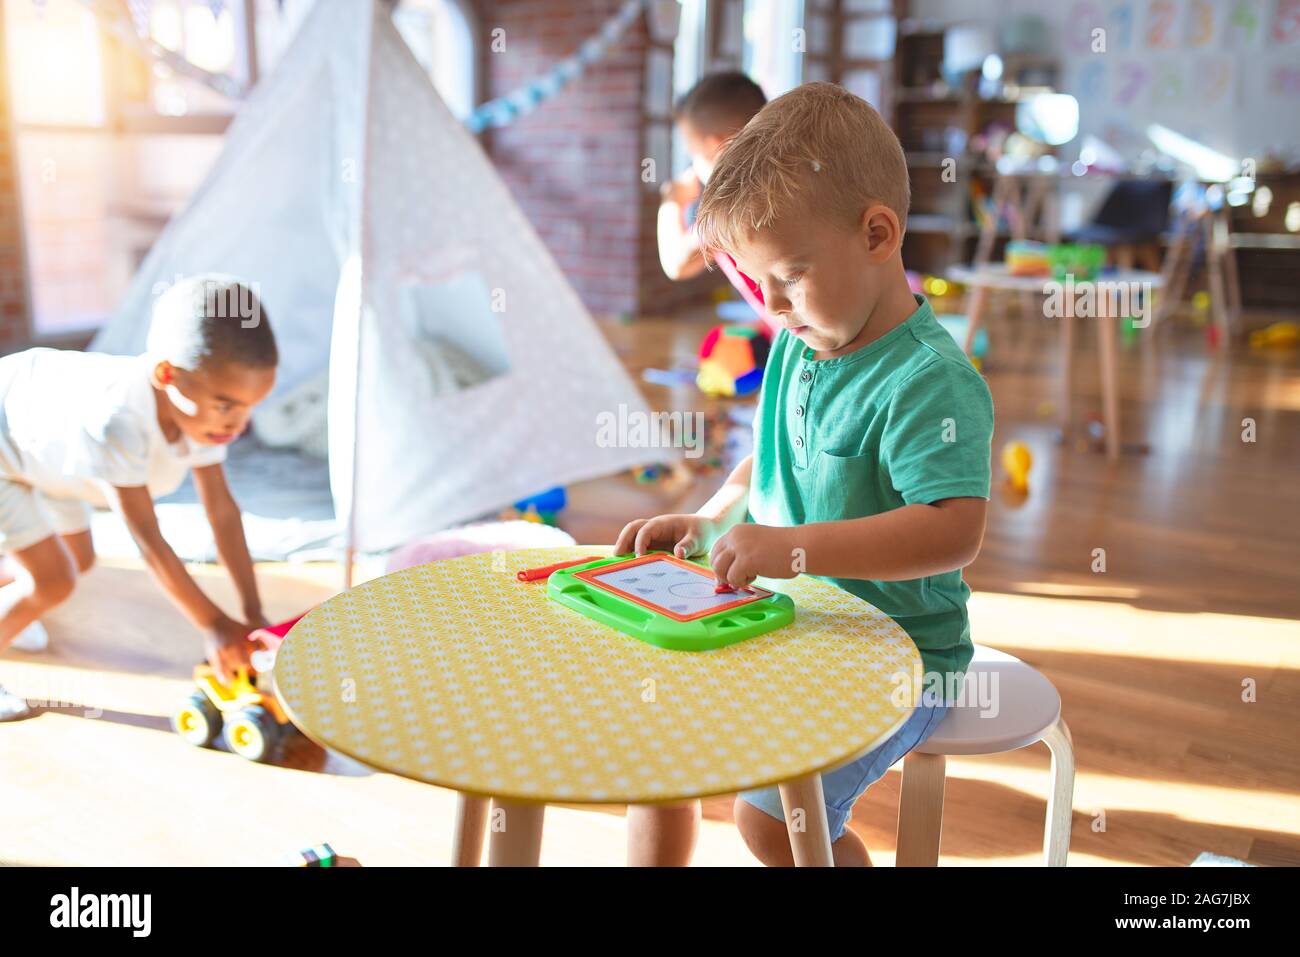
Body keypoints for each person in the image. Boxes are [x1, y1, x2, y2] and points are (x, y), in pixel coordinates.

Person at [618, 83, 994, 866]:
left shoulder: (929, 380)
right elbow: (777, 458)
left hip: (903, 654)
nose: (775, 306)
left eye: (789, 277)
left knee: (771, 821)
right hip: (793, 626)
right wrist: (713, 516)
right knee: (653, 749)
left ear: (877, 234)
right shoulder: (798, 340)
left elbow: (952, 530)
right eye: (761, 285)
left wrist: (793, 551)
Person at [0, 275, 278, 721]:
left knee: (76, 561)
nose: (238, 424)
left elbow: (222, 513)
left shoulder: (207, 412)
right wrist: (212, 624)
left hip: (50, 461)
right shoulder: (119, 422)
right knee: (53, 582)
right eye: (228, 405)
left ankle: (16, 602)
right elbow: (146, 537)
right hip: (7, 443)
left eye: (251, 406)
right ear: (167, 375)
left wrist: (251, 611)